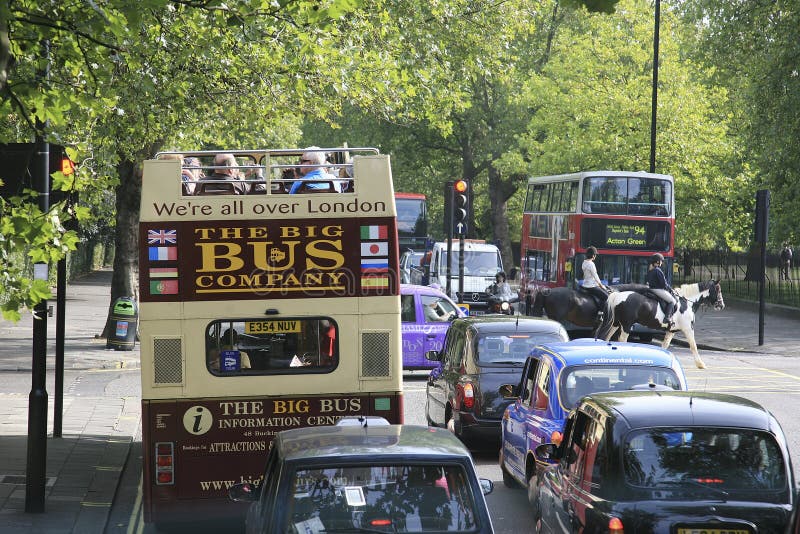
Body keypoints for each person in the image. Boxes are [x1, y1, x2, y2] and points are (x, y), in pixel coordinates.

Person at [646, 253, 678, 329]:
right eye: (661, 261)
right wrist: (671, 289)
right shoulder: (657, 270)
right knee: (672, 301)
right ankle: (667, 318)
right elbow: (663, 284)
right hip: (657, 290)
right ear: (657, 261)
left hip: (651, 289)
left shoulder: (650, 270)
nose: (662, 262)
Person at [581, 246, 609, 310]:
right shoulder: (591, 264)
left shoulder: (584, 263)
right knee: (606, 296)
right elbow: (595, 276)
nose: (595, 256)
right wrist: (601, 286)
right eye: (595, 255)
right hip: (591, 286)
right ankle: (601, 311)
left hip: (585, 285)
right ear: (593, 255)